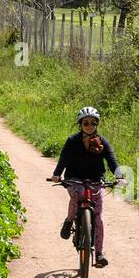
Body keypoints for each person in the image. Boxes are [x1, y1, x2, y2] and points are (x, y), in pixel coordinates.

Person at [49, 106, 124, 268]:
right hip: (74, 178)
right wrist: (56, 175)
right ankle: (69, 221)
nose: (89, 126)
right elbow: (63, 159)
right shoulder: (72, 141)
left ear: (96, 124)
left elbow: (112, 160)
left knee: (98, 216)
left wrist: (119, 176)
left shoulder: (102, 142)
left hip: (96, 179)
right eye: (86, 123)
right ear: (80, 124)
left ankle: (99, 254)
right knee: (78, 194)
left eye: (92, 123)